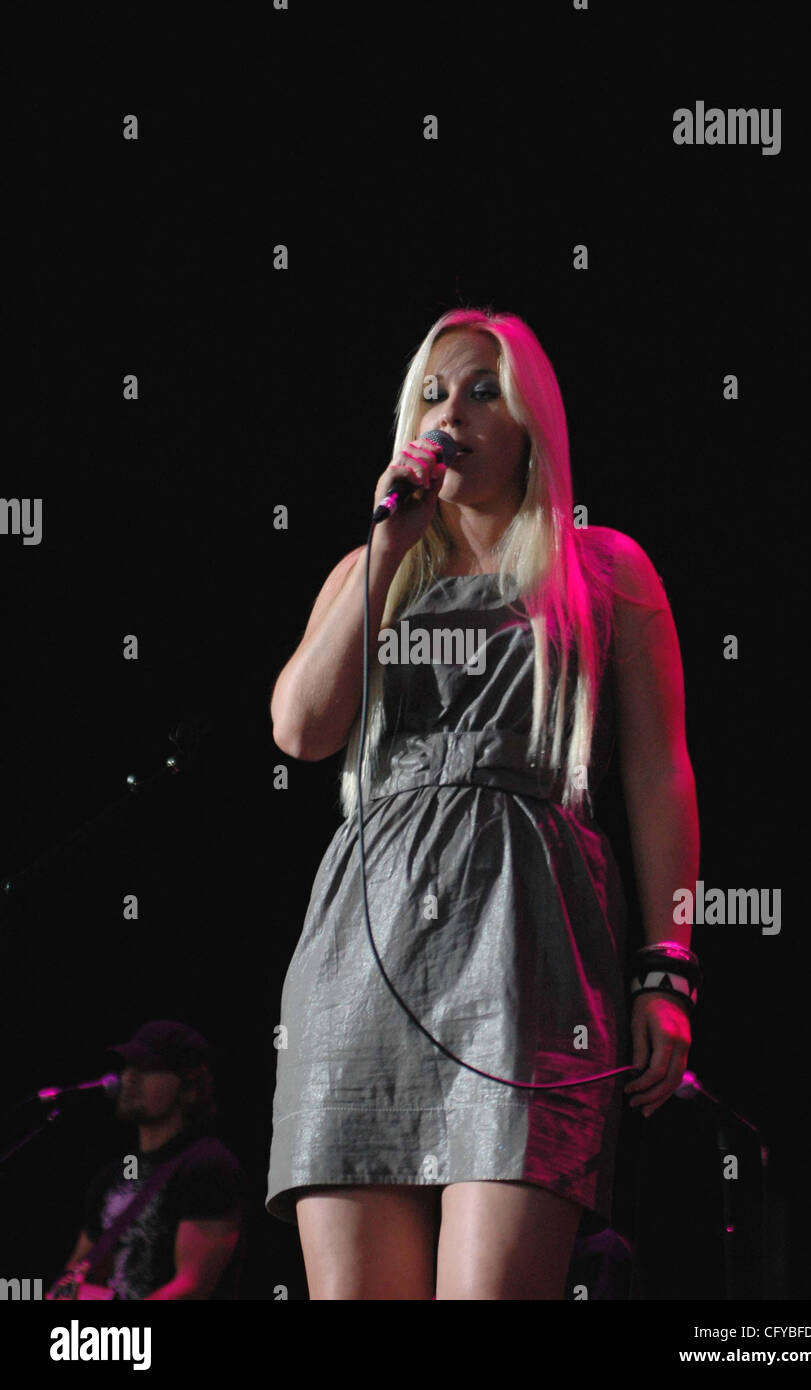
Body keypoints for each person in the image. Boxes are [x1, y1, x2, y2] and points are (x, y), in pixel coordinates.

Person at [266, 307, 700, 1300]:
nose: (451, 412)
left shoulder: (605, 572)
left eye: (481, 390)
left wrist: (668, 969)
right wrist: (385, 549)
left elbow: (658, 778)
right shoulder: (370, 569)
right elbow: (299, 728)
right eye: (432, 392)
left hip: (528, 947)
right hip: (364, 960)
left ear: (532, 422)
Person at [57, 1020, 247, 1300]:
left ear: (189, 1086)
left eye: (147, 1068)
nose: (129, 1077)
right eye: (129, 1066)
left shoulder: (206, 1166)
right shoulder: (112, 1177)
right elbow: (78, 1270)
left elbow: (192, 1287)